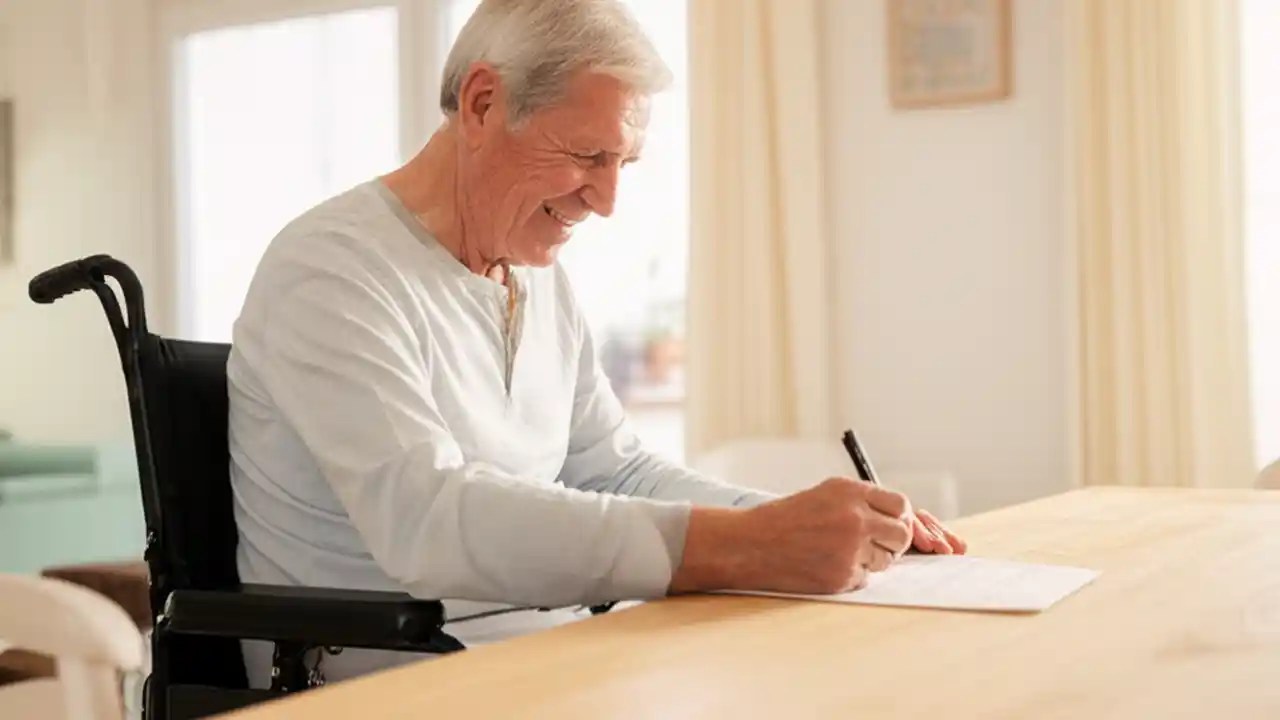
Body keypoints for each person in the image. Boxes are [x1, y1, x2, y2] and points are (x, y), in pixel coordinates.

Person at [227, 0, 965, 686]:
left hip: (543, 655)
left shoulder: (536, 279)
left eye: (624, 164)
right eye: (587, 156)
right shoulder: (331, 270)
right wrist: (753, 544)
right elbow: (427, 521)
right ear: (484, 105)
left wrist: (808, 522)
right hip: (380, 676)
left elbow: (614, 471)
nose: (607, 201)